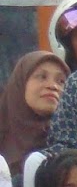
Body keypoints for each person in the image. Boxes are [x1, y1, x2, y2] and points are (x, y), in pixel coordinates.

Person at [0, 51, 66, 179]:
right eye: (41, 77)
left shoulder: (70, 141)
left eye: (61, 81)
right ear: (21, 82)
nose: (53, 86)